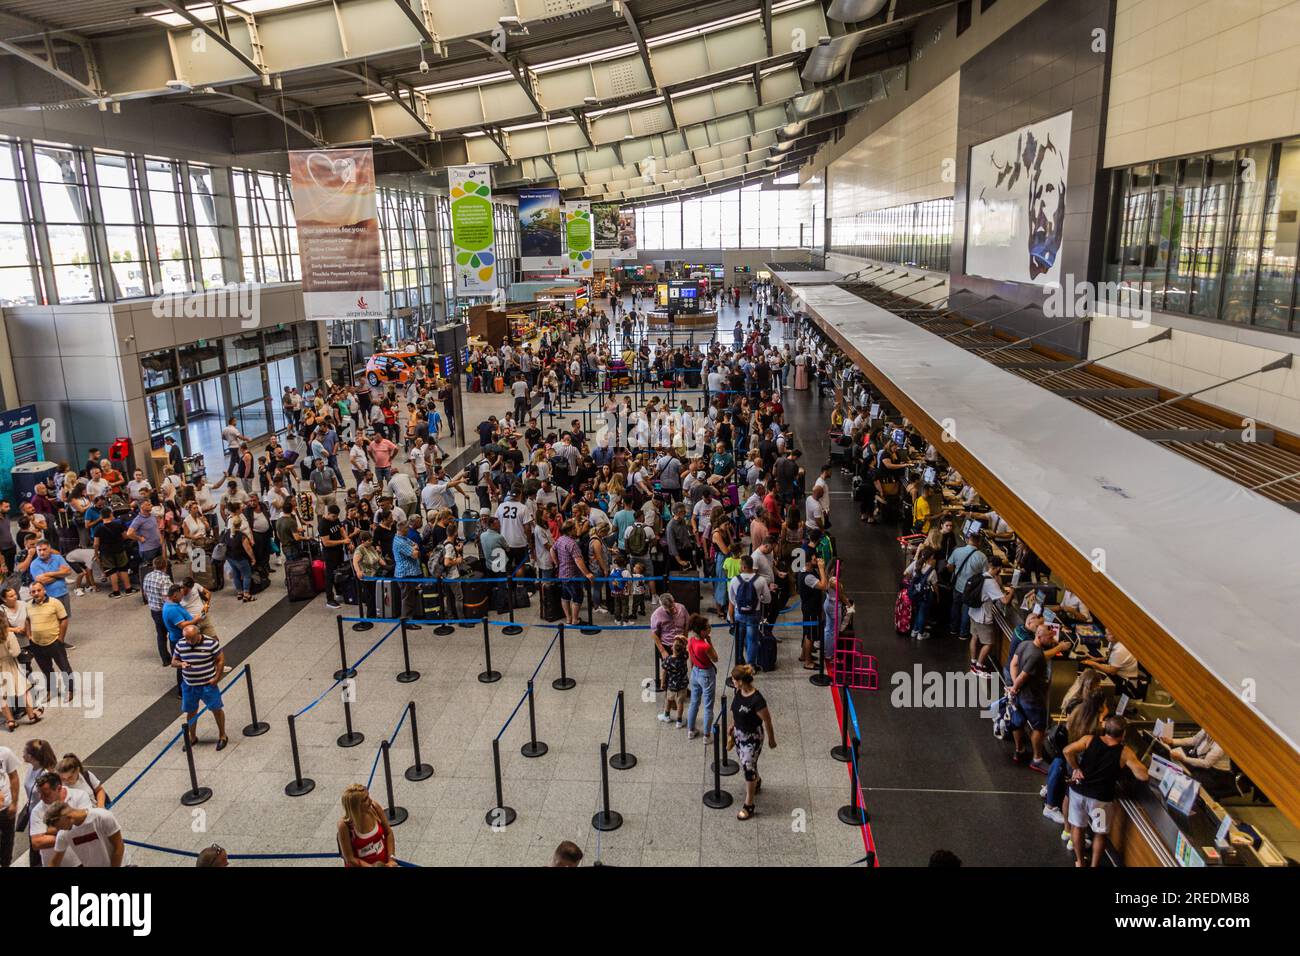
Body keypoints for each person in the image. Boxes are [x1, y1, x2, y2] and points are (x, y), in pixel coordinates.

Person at [1063, 715, 1149, 868]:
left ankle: (1080, 862)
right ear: (1123, 735)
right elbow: (1142, 775)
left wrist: (1076, 768)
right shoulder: (1124, 752)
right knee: (1100, 833)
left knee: (1077, 827)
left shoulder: (1089, 739)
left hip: (1078, 792)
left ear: (1105, 729)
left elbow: (1067, 751)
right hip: (1101, 800)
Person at [729, 664, 776, 822]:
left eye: (734, 679)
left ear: (741, 681)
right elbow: (736, 710)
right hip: (739, 735)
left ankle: (749, 805)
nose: (732, 681)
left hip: (752, 738)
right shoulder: (738, 691)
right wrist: (733, 726)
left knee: (748, 767)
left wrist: (771, 740)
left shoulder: (757, 700)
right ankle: (757, 780)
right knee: (746, 763)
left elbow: (767, 721)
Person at [171, 622, 228, 750]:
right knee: (191, 712)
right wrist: (181, 664)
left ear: (198, 634)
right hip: (189, 685)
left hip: (207, 684)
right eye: (186, 638)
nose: (189, 641)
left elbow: (220, 660)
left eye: (191, 638)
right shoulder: (181, 644)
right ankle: (192, 737)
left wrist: (216, 678)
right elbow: (173, 661)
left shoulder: (211, 643)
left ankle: (222, 735)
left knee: (216, 709)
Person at [26, 581, 73, 704]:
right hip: (37, 644)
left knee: (64, 667)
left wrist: (61, 638)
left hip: (54, 642)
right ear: (30, 593)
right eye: (33, 591)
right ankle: (50, 690)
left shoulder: (54, 603)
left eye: (38, 590)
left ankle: (70, 690)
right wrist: (29, 636)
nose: (36, 593)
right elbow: (27, 621)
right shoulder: (28, 606)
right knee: (46, 670)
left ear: (44, 590)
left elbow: (63, 620)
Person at [42, 801, 127, 867]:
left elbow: (119, 847)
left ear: (69, 817)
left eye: (59, 826)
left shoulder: (102, 817)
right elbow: (54, 862)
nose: (58, 830)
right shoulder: (63, 833)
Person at [337, 783, 397, 867]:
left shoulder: (374, 808)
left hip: (384, 864)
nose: (370, 801)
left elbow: (389, 833)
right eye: (365, 799)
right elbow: (349, 859)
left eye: (368, 796)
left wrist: (391, 859)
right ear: (355, 805)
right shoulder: (344, 825)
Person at [727, 555, 770, 668]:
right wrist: (758, 599)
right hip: (754, 614)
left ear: (743, 566)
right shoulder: (760, 580)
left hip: (739, 613)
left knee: (739, 638)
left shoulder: (734, 580)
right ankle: (750, 665)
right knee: (752, 640)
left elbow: (731, 599)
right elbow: (767, 598)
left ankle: (739, 662)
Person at [684, 614, 718, 741]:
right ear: (702, 631)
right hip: (706, 675)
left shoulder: (691, 640)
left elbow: (691, 658)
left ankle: (691, 730)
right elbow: (715, 658)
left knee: (694, 702)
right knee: (708, 706)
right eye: (708, 627)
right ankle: (706, 736)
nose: (710, 628)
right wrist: (709, 642)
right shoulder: (705, 646)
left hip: (695, 672)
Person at [658, 636, 689, 728]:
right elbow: (687, 645)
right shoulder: (684, 656)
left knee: (669, 699)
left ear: (672, 648)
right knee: (680, 703)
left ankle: (666, 715)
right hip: (682, 685)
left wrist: (662, 682)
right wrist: (682, 638)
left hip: (671, 684)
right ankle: (679, 721)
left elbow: (663, 672)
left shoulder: (668, 660)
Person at [0, 743, 19, 867]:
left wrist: (14, 803)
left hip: (5, 807)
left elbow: (14, 777)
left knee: (8, 840)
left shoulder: (5, 752)